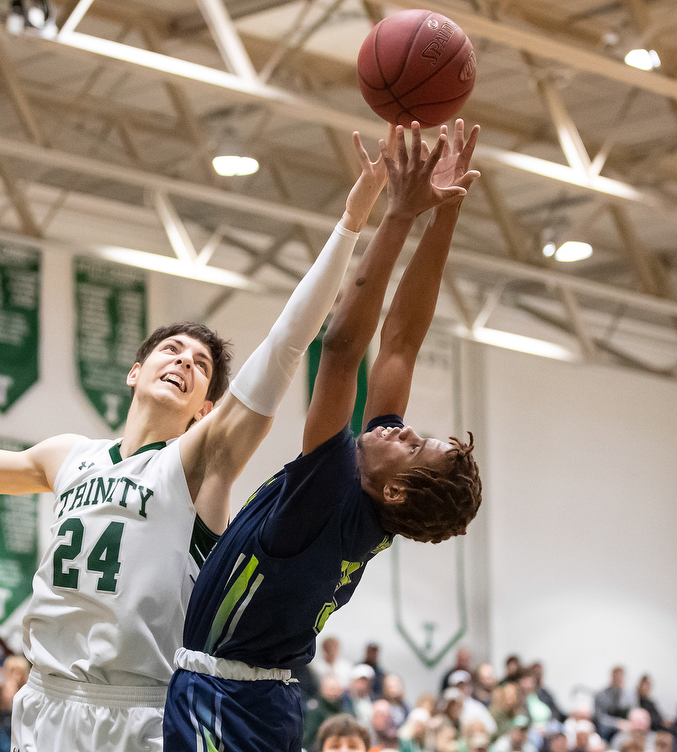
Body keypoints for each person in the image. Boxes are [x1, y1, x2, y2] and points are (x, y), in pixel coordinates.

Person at [0, 128, 390, 751]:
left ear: (206, 408)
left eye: (200, 364)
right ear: (135, 372)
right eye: (170, 350)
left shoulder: (201, 460)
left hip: (140, 706)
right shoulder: (68, 455)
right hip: (44, 700)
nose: (182, 361)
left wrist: (351, 221)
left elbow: (286, 346)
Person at [163, 120, 482, 752]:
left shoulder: (332, 492)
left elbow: (340, 352)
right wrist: (443, 213)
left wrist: (397, 215)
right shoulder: (372, 494)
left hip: (227, 698)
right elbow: (401, 344)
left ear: (396, 492)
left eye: (416, 447)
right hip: (256, 694)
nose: (406, 430)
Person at [305, 674, 354, 750]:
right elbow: (308, 738)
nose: (333, 692)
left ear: (340, 691)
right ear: (322, 689)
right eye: (330, 688)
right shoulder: (314, 711)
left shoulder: (346, 709)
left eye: (335, 689)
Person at [594, 666, 633, 742]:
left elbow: (632, 712)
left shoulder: (628, 695)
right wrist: (616, 723)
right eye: (616, 676)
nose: (618, 679)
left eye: (621, 676)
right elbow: (599, 717)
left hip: (624, 726)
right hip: (607, 727)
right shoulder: (601, 695)